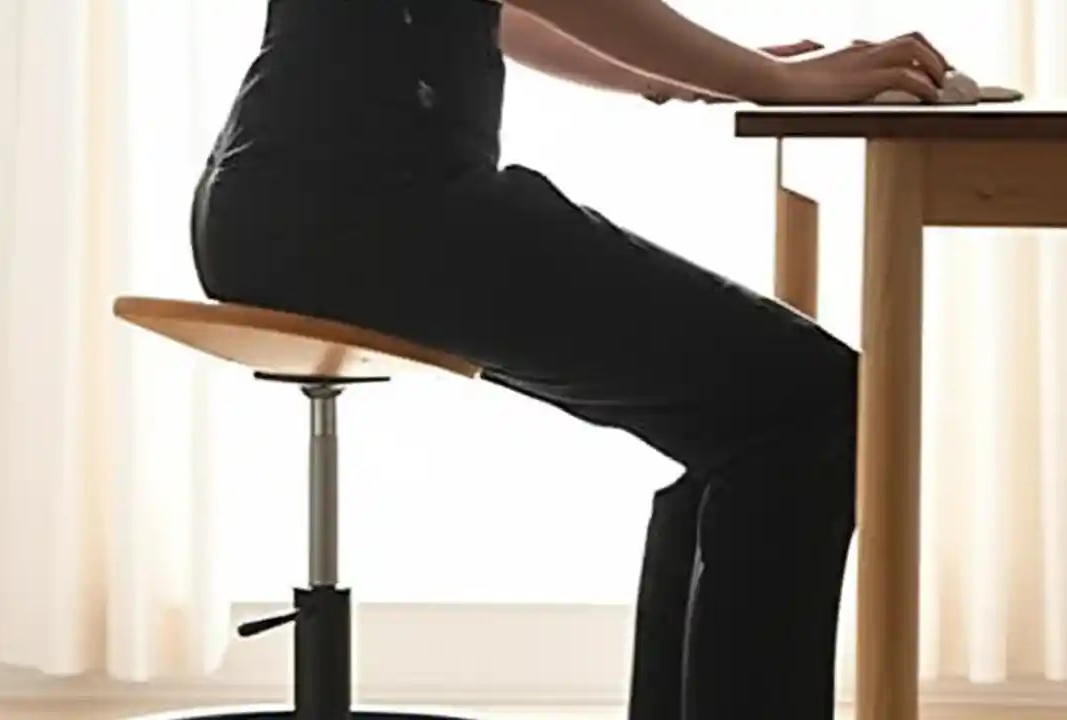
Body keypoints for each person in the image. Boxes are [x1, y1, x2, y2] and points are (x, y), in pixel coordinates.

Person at [190, 0, 950, 717]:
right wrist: (773, 81)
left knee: (764, 418)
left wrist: (680, 74)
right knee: (814, 403)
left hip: (290, 206)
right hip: (370, 209)